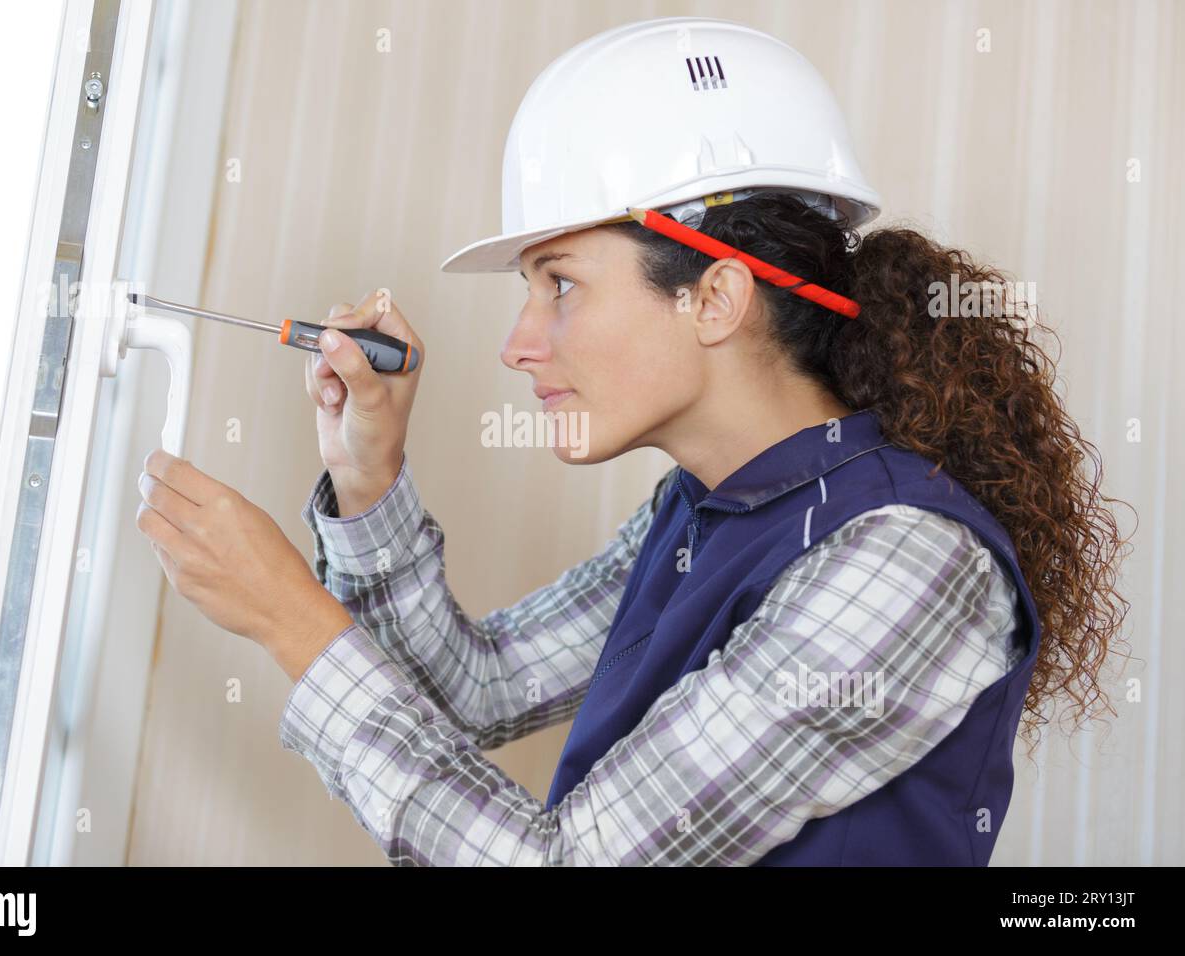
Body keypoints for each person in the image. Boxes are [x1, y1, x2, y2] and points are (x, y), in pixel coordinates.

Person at [136, 17, 1131, 865]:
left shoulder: (907, 559)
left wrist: (289, 618)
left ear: (714, 294)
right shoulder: (714, 504)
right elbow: (480, 689)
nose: (518, 344)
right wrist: (367, 472)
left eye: (559, 283)